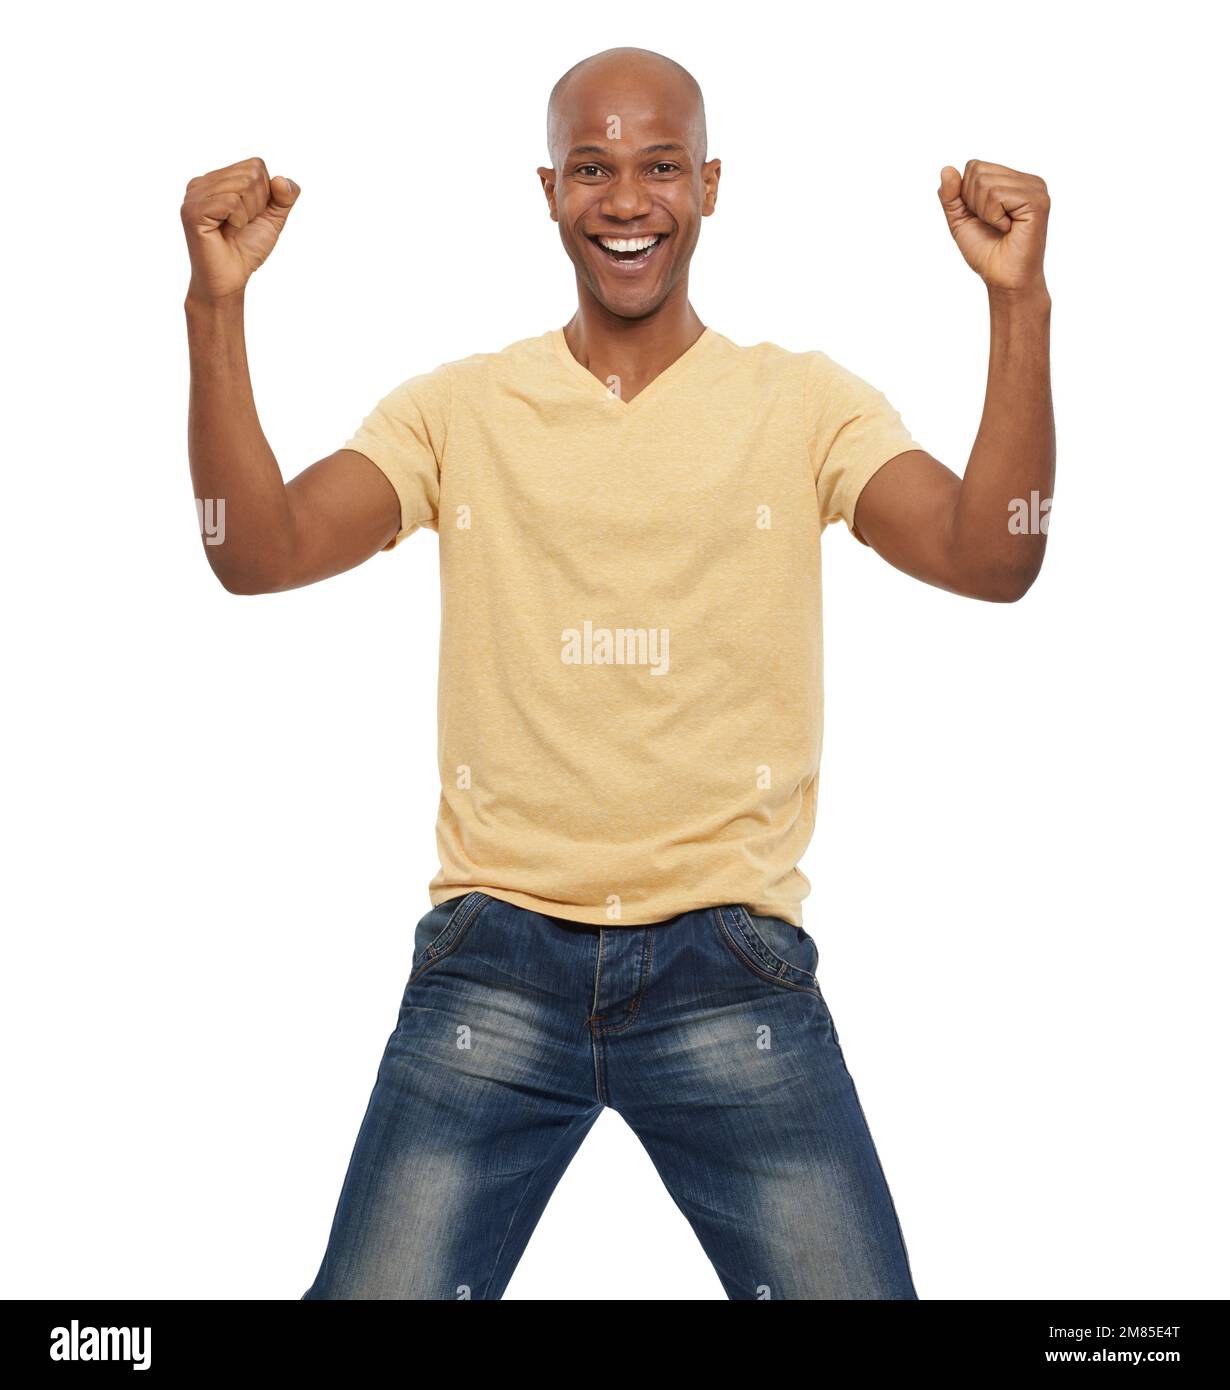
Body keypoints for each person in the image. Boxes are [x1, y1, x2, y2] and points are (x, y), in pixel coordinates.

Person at [181, 47, 1054, 1300]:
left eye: (658, 167)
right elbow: (252, 553)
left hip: (727, 961)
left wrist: (1018, 304)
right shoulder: (460, 409)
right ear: (548, 191)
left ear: (709, 184)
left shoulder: (802, 405)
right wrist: (215, 308)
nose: (627, 199)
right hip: (496, 954)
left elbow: (996, 554)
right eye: (592, 167)